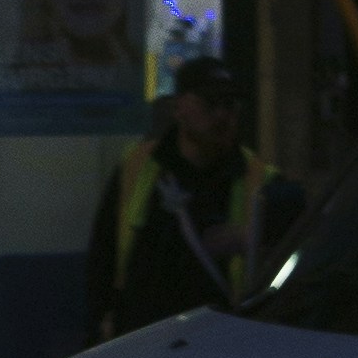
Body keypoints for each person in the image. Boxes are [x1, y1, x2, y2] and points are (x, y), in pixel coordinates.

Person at [87, 53, 298, 339]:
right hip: (142, 339)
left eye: (230, 105)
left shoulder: (259, 180)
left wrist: (250, 239)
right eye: (210, 103)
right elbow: (103, 256)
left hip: (222, 340)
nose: (222, 115)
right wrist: (100, 323)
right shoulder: (138, 168)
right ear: (179, 108)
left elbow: (297, 241)